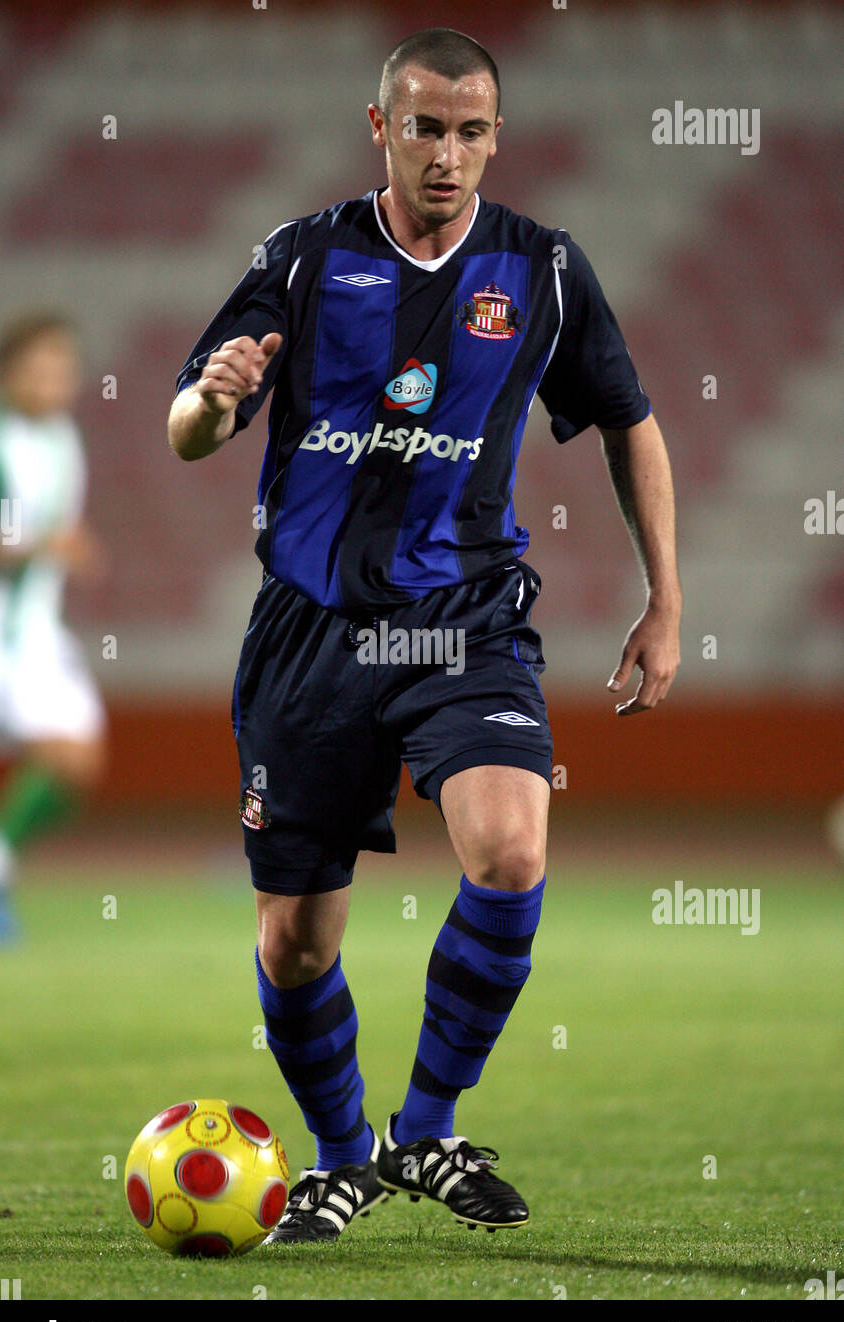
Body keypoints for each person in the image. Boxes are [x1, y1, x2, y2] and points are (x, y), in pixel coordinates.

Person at [168, 28, 681, 1243]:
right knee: (296, 945)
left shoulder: (543, 272)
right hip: (310, 631)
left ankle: (426, 1126)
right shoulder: (300, 260)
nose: (444, 153)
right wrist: (215, 397)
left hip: (463, 619)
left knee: (508, 850)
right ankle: (343, 1158)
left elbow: (629, 420)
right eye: (421, 127)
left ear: (494, 137)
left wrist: (665, 598)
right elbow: (192, 426)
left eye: (468, 131)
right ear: (379, 128)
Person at [0, 313, 106, 945]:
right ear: (7, 374)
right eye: (38, 368)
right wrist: (44, 546)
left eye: (63, 368)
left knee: (76, 759)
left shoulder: (62, 438)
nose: (53, 381)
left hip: (32, 635)